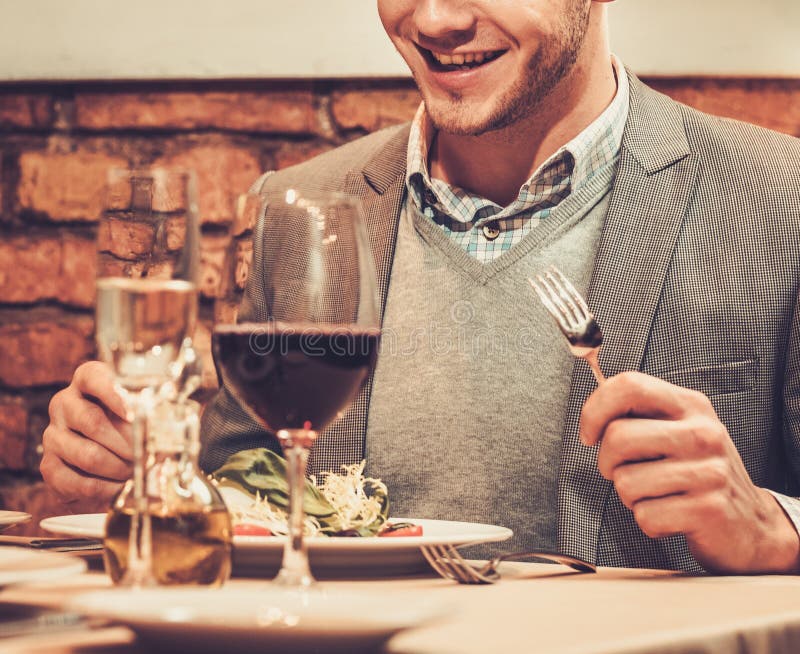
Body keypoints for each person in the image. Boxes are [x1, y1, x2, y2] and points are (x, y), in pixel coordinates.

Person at [41, 0, 800, 574]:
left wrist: (773, 531)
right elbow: (238, 501)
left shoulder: (779, 199)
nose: (434, 19)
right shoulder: (299, 204)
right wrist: (121, 478)